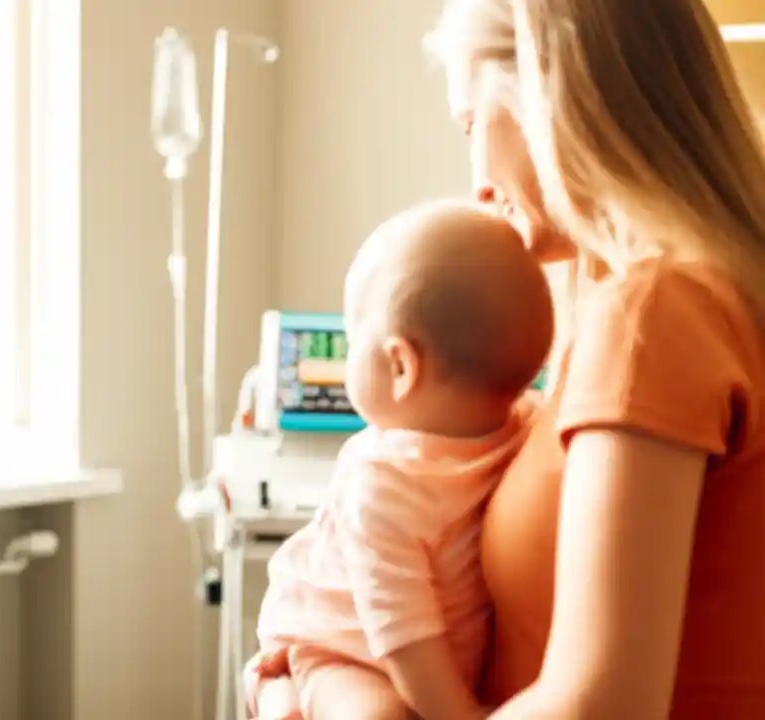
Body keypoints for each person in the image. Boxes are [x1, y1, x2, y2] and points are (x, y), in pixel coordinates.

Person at [427, 0, 765, 716]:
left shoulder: (653, 314)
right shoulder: (716, 298)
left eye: (471, 125)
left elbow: (601, 703)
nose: (478, 185)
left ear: (550, 101)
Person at [245, 200, 553, 720]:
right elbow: (401, 634)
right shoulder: (380, 482)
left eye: (351, 341)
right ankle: (279, 691)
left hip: (415, 651)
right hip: (346, 652)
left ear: (400, 365)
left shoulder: (525, 427)